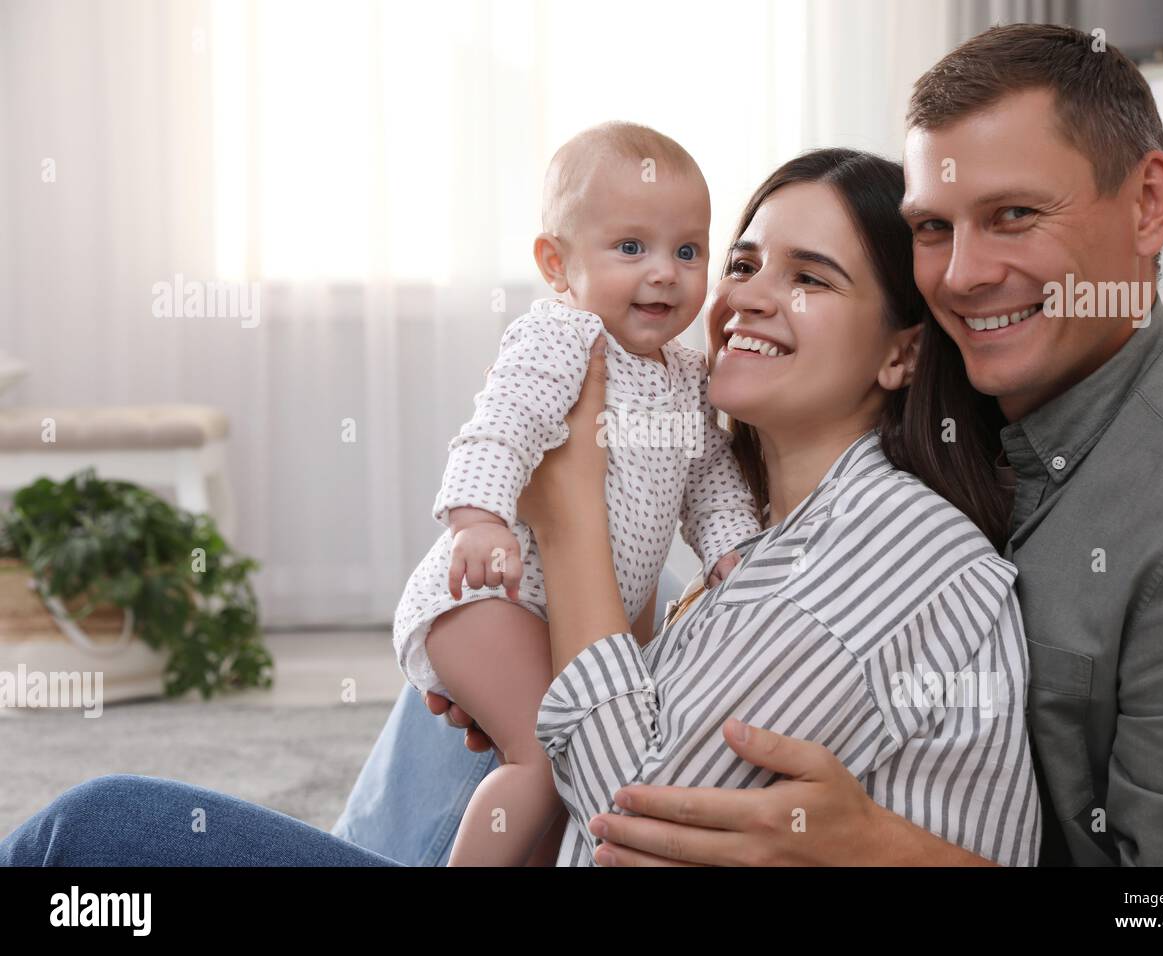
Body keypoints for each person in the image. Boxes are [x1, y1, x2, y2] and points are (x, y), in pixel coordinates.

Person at [405, 23, 1163, 866]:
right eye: (934, 228)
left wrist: (902, 854)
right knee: (453, 689)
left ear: (1149, 203)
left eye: (1016, 214)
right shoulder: (993, 429)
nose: (962, 274)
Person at [0, 149, 1041, 866]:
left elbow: (621, 805)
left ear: (903, 349)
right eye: (740, 260)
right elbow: (507, 444)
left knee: (90, 832)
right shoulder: (779, 525)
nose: (738, 296)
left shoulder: (872, 554)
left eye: (807, 276)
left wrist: (566, 512)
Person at [392, 120, 759, 865]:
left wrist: (733, 554)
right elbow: (498, 428)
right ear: (557, 265)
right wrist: (478, 521)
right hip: (489, 597)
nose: (665, 272)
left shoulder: (689, 378)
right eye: (632, 248)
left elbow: (713, 482)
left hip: (580, 612)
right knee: (541, 763)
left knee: (568, 786)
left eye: (688, 251)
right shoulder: (561, 340)